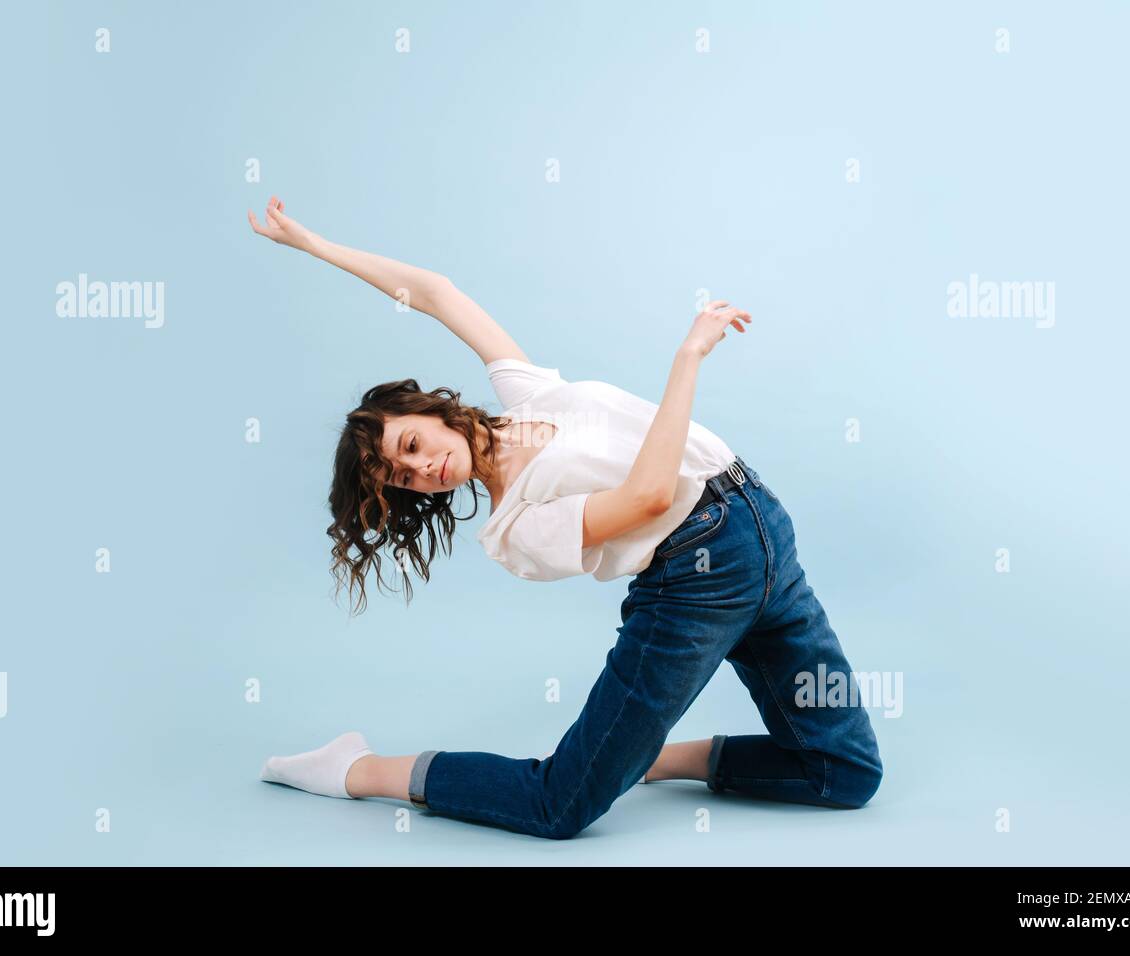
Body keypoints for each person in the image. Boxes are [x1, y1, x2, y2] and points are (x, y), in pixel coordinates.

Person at [249, 196, 882, 839]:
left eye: (411, 445)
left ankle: (650, 759)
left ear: (432, 413)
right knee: (558, 803)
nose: (424, 470)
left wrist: (315, 246)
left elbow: (435, 293)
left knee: (844, 773)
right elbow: (649, 497)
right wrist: (687, 358)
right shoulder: (514, 530)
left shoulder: (528, 397)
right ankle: (356, 769)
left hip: (764, 527)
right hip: (697, 580)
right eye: (403, 479)